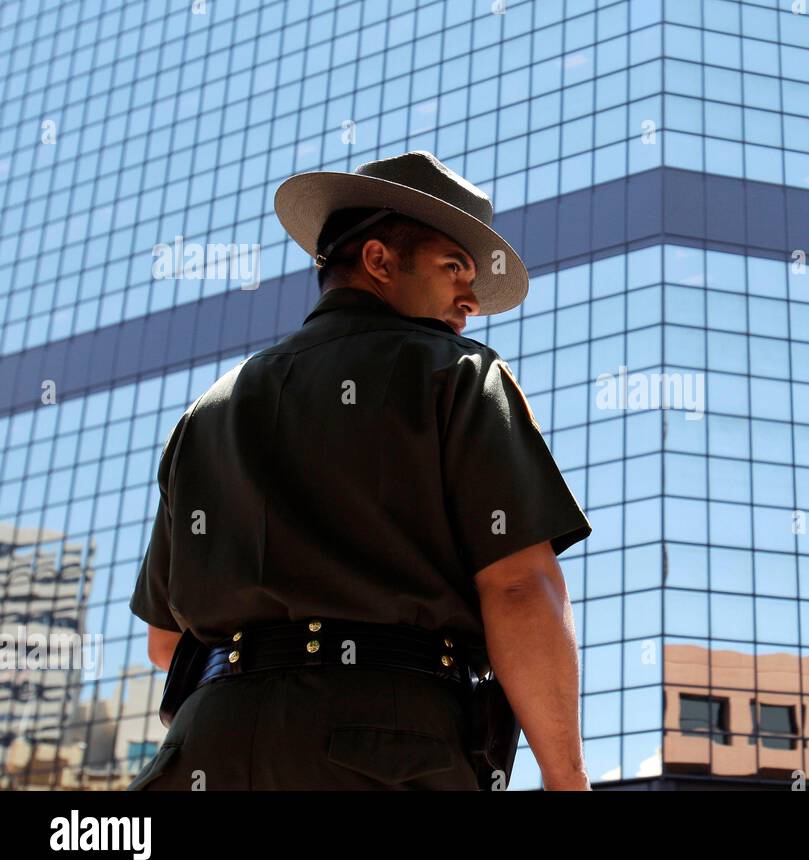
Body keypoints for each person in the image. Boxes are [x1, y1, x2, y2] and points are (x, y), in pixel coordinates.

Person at [126, 150, 593, 790]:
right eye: (454, 266)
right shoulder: (457, 375)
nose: (471, 300)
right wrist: (566, 778)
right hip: (387, 751)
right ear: (377, 260)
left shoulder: (207, 411)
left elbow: (163, 642)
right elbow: (518, 588)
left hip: (199, 756)